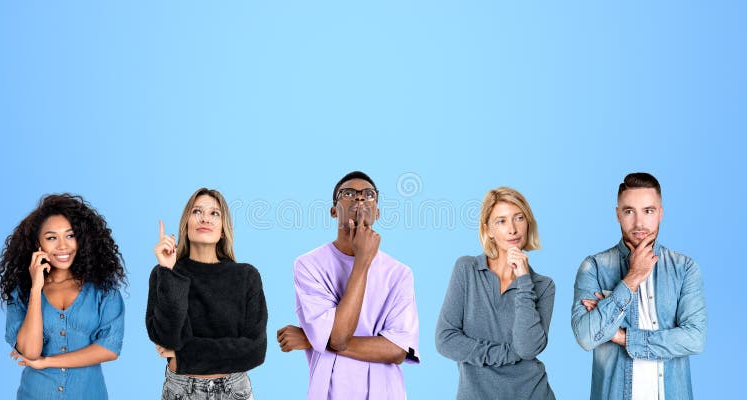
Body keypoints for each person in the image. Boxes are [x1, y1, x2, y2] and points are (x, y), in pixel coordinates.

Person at [276, 171, 420, 400]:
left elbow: (396, 350)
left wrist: (313, 339)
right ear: (334, 211)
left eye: (369, 195)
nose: (360, 199)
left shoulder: (399, 273)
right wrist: (362, 262)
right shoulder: (308, 265)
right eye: (349, 193)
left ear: (378, 212)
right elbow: (338, 338)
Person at [571, 172, 707, 400]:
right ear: (617, 215)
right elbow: (586, 336)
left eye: (648, 211)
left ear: (660, 213)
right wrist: (631, 278)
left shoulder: (684, 268)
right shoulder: (594, 266)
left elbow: (695, 338)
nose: (639, 223)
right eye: (629, 211)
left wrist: (625, 338)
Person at [0, 194, 127, 399]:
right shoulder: (21, 292)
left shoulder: (104, 289)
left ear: (83, 239)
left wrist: (47, 362)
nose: (63, 246)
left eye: (70, 235)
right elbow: (30, 352)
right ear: (38, 244)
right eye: (51, 237)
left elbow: (109, 348)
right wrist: (36, 288)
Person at [146, 187, 267, 400]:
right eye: (197, 212)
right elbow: (166, 337)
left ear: (222, 229)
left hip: (234, 391)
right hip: (182, 390)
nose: (205, 219)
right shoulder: (165, 274)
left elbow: (255, 350)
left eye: (214, 213)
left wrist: (185, 353)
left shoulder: (246, 276)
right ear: (186, 225)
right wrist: (169, 271)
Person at [435, 187, 556, 399]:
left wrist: (524, 281)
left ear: (528, 223)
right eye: (501, 221)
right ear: (488, 229)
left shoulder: (543, 286)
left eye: (519, 218)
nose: (512, 229)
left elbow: (527, 349)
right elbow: (445, 340)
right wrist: (507, 354)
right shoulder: (467, 269)